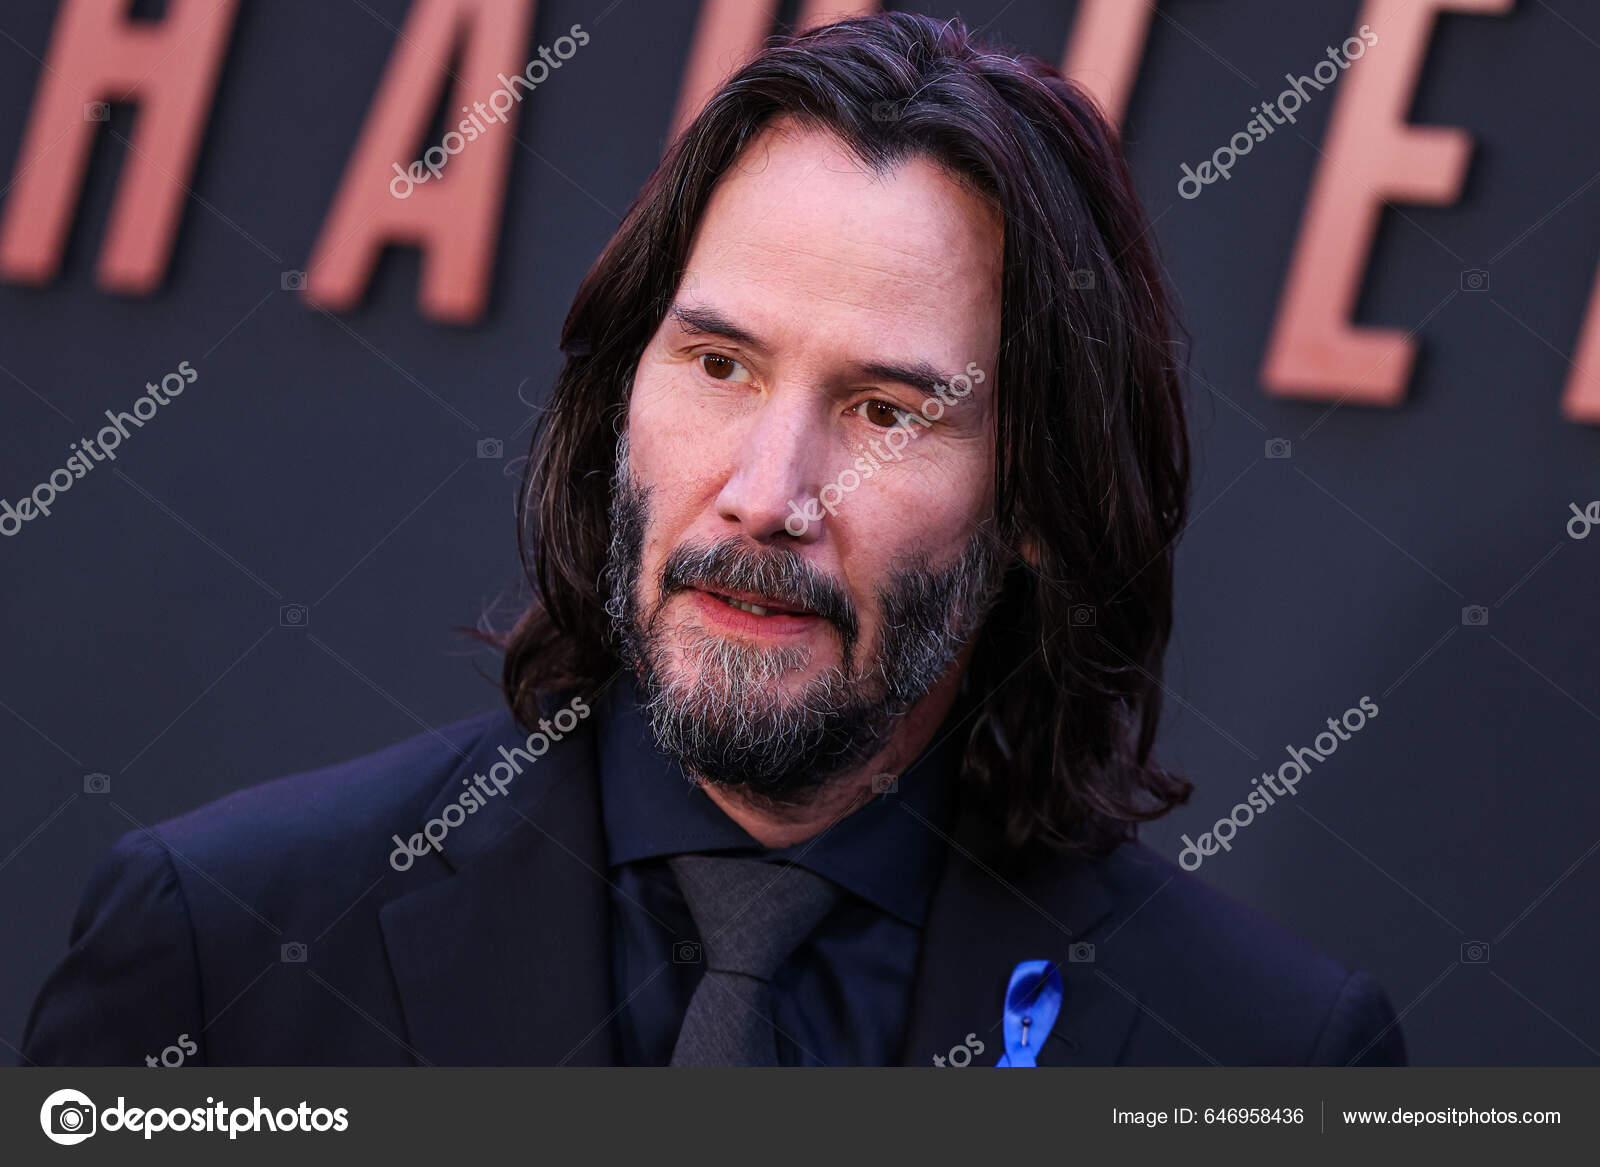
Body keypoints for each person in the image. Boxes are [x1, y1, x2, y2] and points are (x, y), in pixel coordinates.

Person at [20, 12, 1404, 1067]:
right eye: (721, 367)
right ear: (626, 382)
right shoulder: (228, 949)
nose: (764, 490)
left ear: (1039, 501)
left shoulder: (1260, 1052)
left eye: (885, 409)